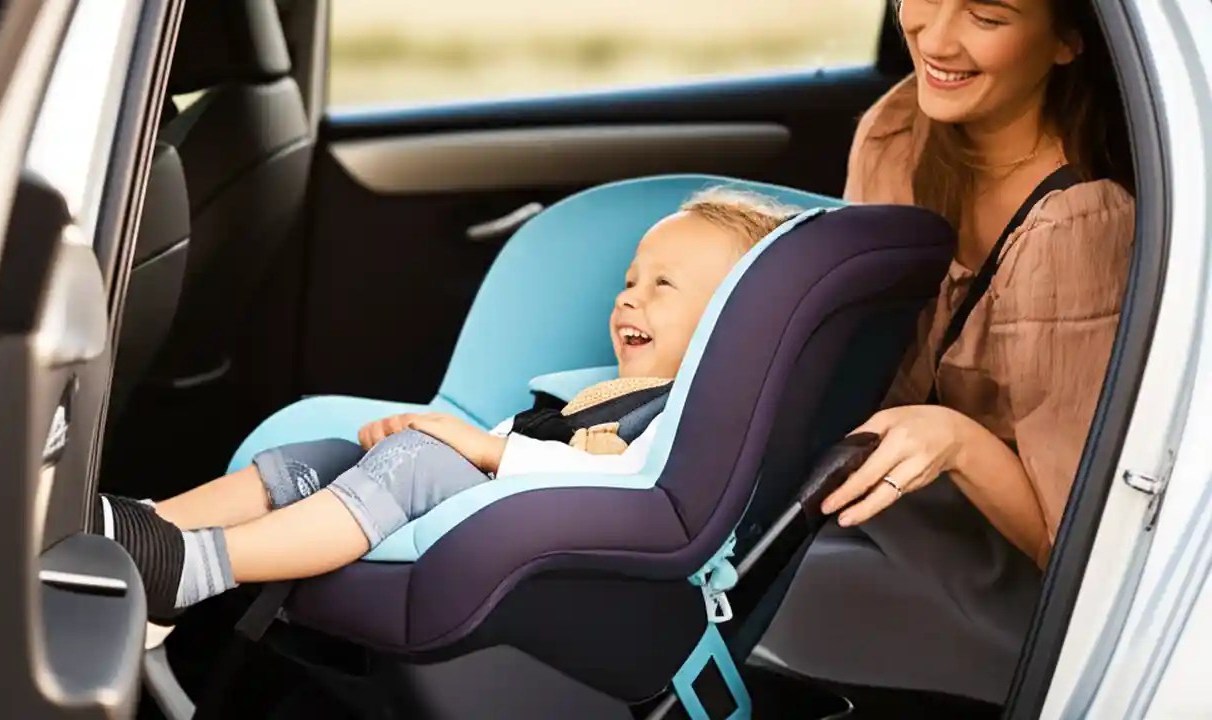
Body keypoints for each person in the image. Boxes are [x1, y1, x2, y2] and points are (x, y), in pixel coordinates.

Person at [94, 189, 799, 619]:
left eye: (662, 287)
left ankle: (198, 568)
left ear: (726, 324)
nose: (627, 297)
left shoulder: (694, 416)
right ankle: (148, 527)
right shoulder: (606, 391)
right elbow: (518, 446)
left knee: (414, 464)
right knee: (334, 457)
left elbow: (631, 483)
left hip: (565, 547)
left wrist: (475, 448)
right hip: (491, 505)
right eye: (630, 280)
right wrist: (440, 439)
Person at [762, 0, 1136, 707]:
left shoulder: (1078, 229)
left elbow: (1081, 546)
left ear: (1066, 42)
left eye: (986, 18)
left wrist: (956, 440)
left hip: (1013, 587)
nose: (933, 37)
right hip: (882, 505)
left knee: (743, 605)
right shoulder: (898, 129)